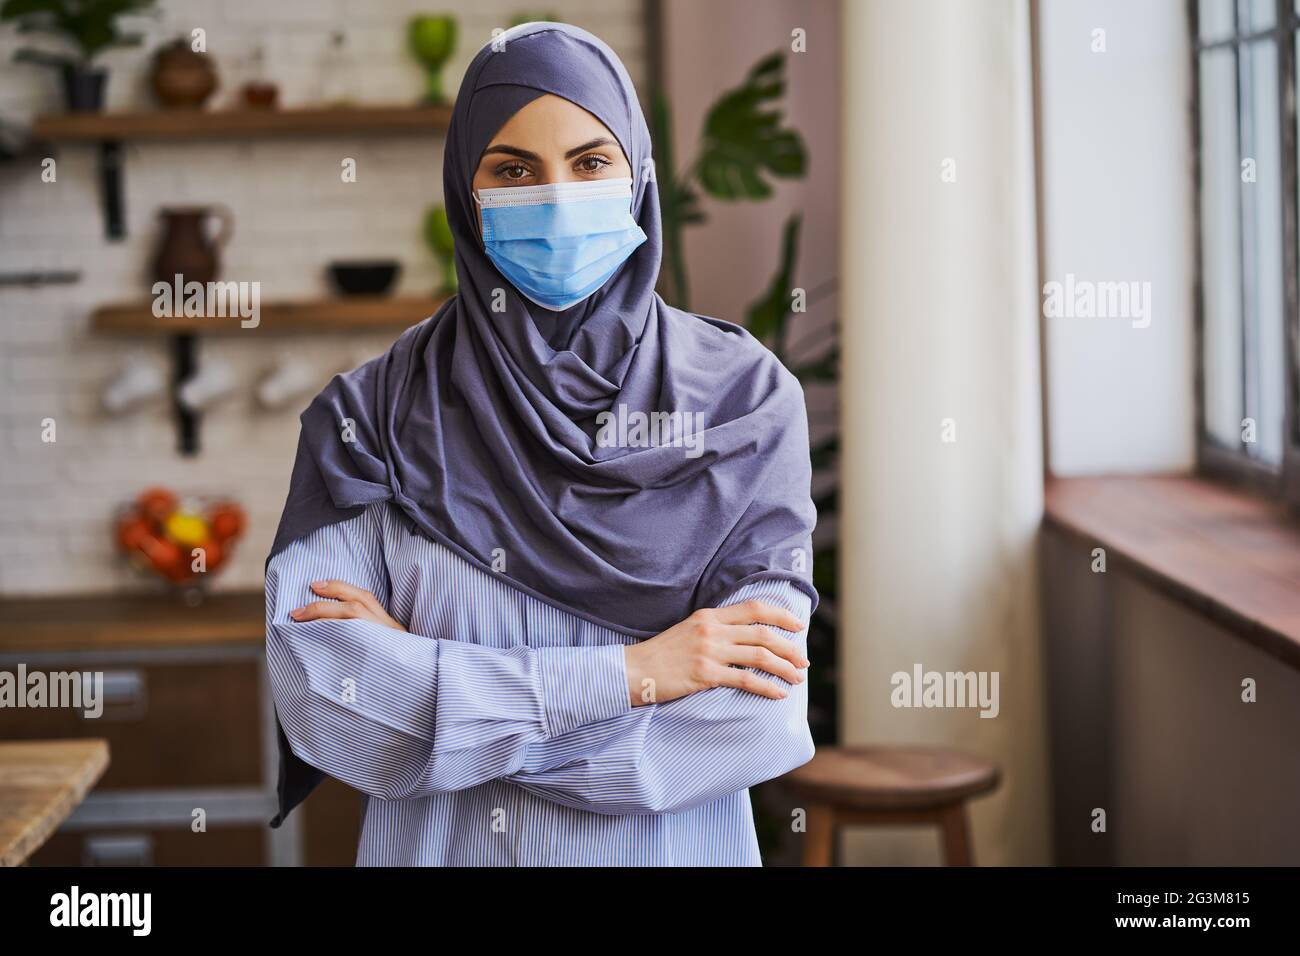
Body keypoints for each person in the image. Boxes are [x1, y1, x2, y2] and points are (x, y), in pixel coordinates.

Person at [264, 21, 819, 866]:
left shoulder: (742, 401)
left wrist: (434, 703)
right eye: (514, 170)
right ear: (465, 190)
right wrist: (635, 675)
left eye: (590, 163)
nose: (557, 197)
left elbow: (756, 720)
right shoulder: (371, 414)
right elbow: (331, 703)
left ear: (636, 177)